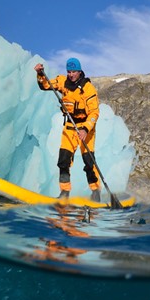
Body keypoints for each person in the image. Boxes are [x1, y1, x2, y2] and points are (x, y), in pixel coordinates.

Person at [34, 57, 102, 201]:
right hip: (70, 127)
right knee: (63, 160)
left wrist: (85, 129)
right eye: (69, 71)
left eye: (74, 72)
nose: (71, 75)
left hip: (85, 128)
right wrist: (40, 74)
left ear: (79, 71)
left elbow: (94, 113)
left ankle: (95, 191)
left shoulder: (88, 89)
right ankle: (65, 192)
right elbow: (45, 85)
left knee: (89, 162)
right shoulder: (62, 81)